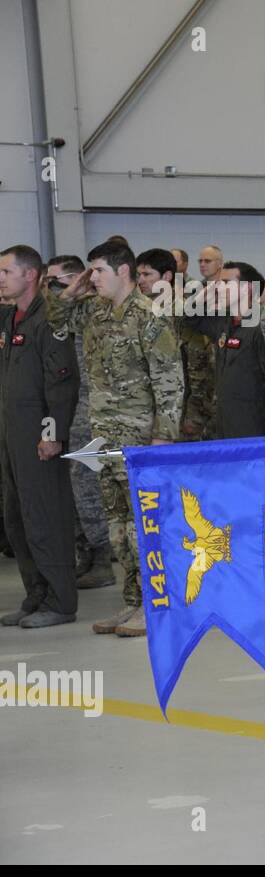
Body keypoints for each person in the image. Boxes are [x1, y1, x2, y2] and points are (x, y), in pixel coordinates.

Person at [48, 241, 184, 637]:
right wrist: (72, 292)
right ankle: (132, 601)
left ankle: (158, 604)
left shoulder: (149, 316)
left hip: (141, 438)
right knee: (118, 526)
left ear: (123, 272)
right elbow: (55, 320)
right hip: (105, 437)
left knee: (147, 524)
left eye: (99, 272)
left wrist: (164, 438)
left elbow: (170, 383)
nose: (93, 279)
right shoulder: (95, 311)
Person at [0, 246, 80, 628]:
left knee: (46, 517)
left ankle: (60, 601)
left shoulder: (49, 320)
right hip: (11, 437)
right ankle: (36, 594)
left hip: (38, 438)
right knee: (18, 519)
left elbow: (61, 381)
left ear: (30, 275)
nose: (1, 278)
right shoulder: (11, 319)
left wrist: (53, 434)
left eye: (6, 271)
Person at [43, 254, 113, 590]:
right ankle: (87, 553)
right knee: (74, 485)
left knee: (88, 483)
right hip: (69, 406)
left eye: (57, 282)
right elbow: (53, 319)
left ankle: (102, 556)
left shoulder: (97, 309)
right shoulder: (72, 310)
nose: (52, 290)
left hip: (94, 407)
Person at [185, 261, 265, 438]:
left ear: (248, 288)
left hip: (254, 427)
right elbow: (190, 320)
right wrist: (202, 297)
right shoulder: (224, 321)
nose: (219, 288)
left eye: (226, 283)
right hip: (224, 423)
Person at [138, 248, 215, 443]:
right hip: (146, 411)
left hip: (178, 414)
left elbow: (200, 367)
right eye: (138, 275)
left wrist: (194, 416)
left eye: (147, 274)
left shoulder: (181, 312)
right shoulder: (141, 309)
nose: (140, 280)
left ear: (167, 276)